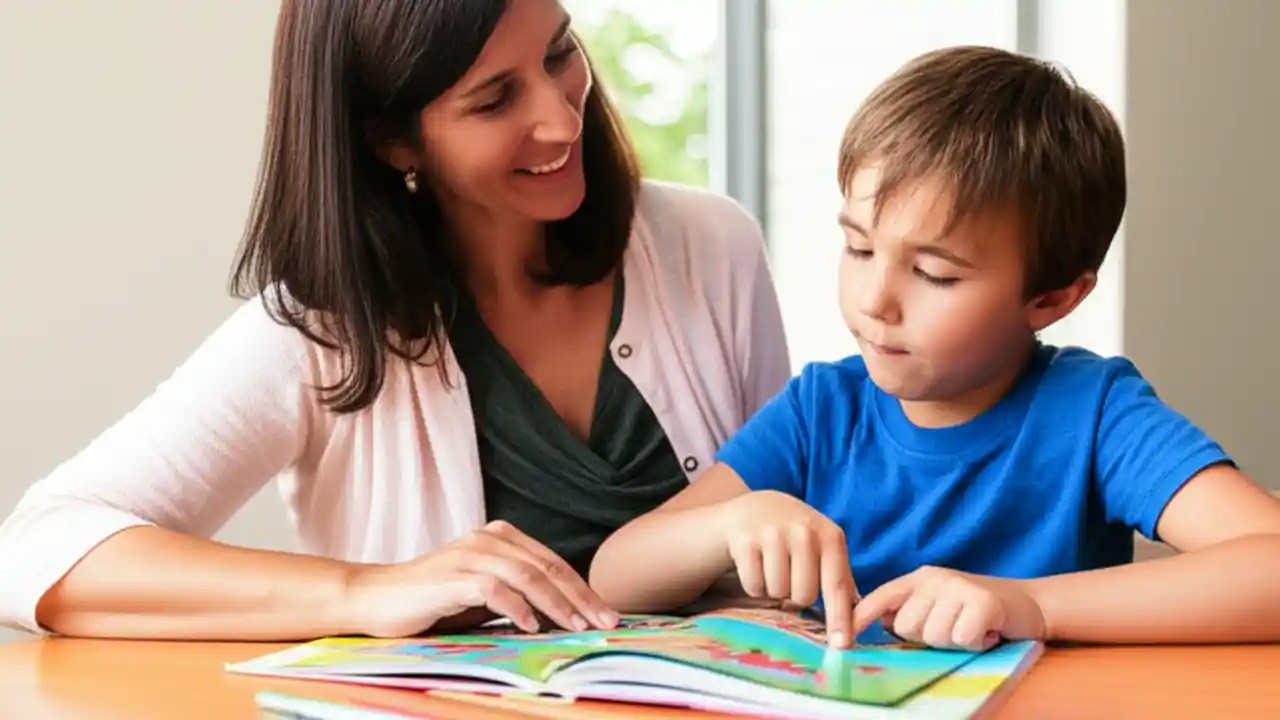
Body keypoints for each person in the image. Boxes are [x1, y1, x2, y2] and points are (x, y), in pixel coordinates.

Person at [0, 0, 790, 641]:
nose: (561, 118)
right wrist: (365, 592)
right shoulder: (323, 330)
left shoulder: (708, 248)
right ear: (392, 141)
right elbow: (34, 550)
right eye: (494, 99)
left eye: (558, 53)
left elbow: (800, 497)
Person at [590, 45, 1280, 651]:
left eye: (934, 273)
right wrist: (728, 524)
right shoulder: (820, 412)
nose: (874, 300)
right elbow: (615, 573)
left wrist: (1032, 605)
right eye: (859, 247)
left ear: (1054, 298)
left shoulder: (1093, 412)